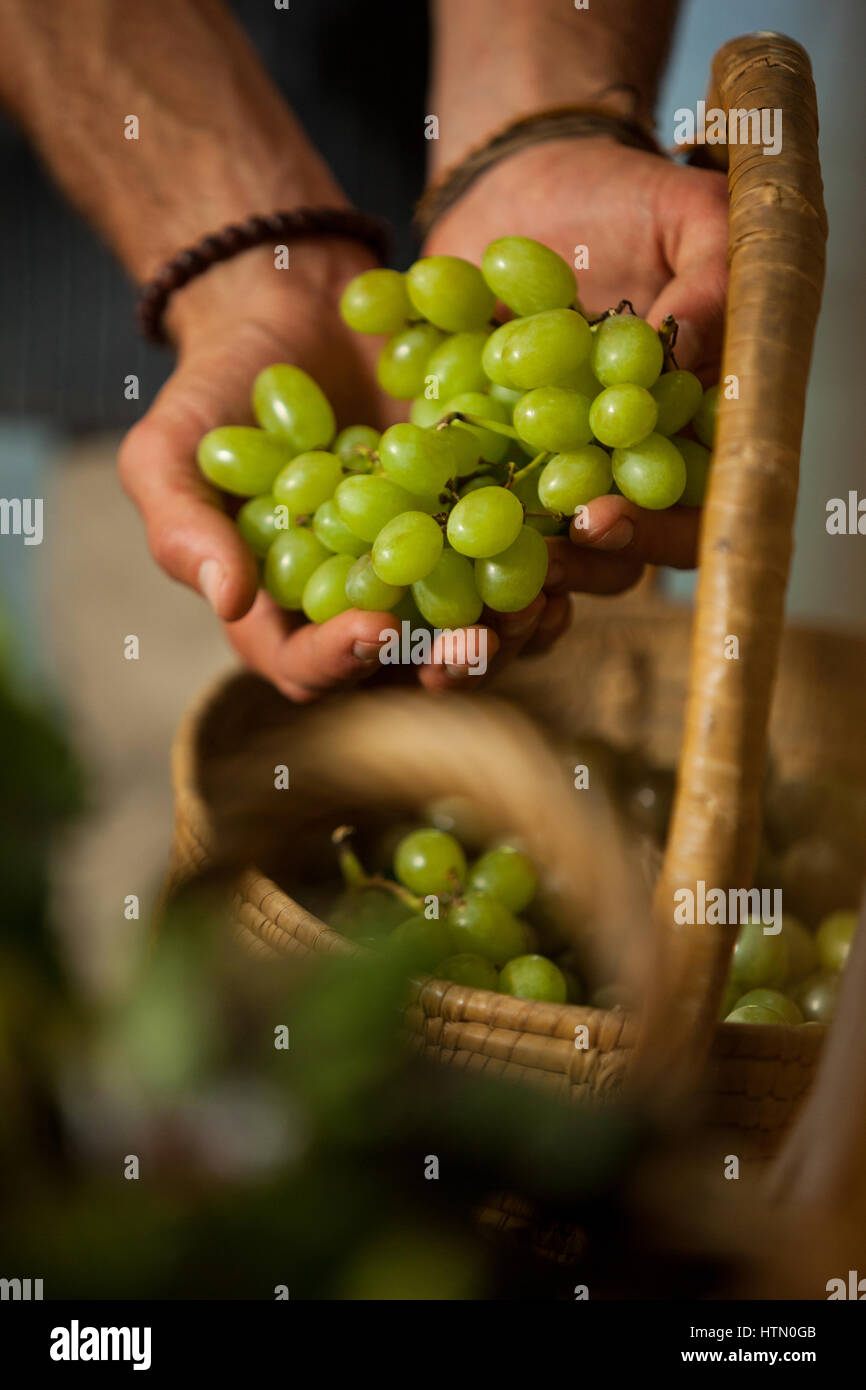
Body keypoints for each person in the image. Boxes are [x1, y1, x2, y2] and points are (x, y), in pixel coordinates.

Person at [0, 0, 727, 702]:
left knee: (584, 725)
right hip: (107, 368)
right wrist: (243, 270)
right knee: (207, 769)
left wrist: (540, 125)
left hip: (430, 199)